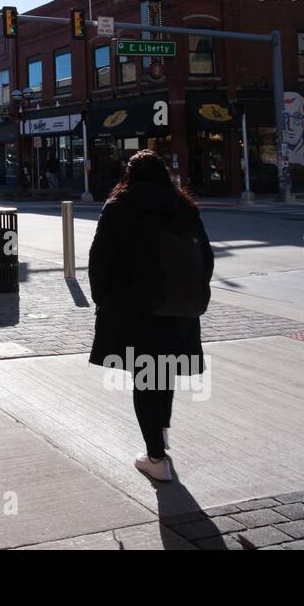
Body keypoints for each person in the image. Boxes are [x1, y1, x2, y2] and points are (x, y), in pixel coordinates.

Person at [88, 149, 213, 483]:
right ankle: (161, 434)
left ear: (129, 175)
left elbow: (100, 260)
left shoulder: (120, 206)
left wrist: (103, 300)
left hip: (134, 308)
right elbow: (206, 257)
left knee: (146, 378)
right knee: (165, 372)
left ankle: (156, 458)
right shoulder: (184, 206)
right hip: (178, 307)